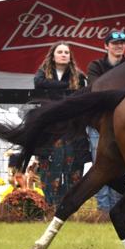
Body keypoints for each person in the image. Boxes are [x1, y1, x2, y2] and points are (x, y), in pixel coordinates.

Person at [33, 42, 88, 206]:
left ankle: (69, 207)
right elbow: (39, 83)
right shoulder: (43, 73)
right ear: (53, 55)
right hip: (50, 129)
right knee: (51, 168)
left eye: (66, 52)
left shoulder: (78, 76)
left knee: (73, 168)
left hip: (73, 128)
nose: (63, 55)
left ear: (70, 56)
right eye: (60, 52)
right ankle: (50, 206)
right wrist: (65, 87)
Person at [86, 30, 125, 212]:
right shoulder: (95, 65)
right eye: (114, 43)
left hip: (124, 124)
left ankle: (119, 208)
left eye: (122, 43)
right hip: (99, 124)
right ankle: (103, 210)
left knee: (122, 167)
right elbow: (97, 90)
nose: (119, 46)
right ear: (106, 46)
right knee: (100, 166)